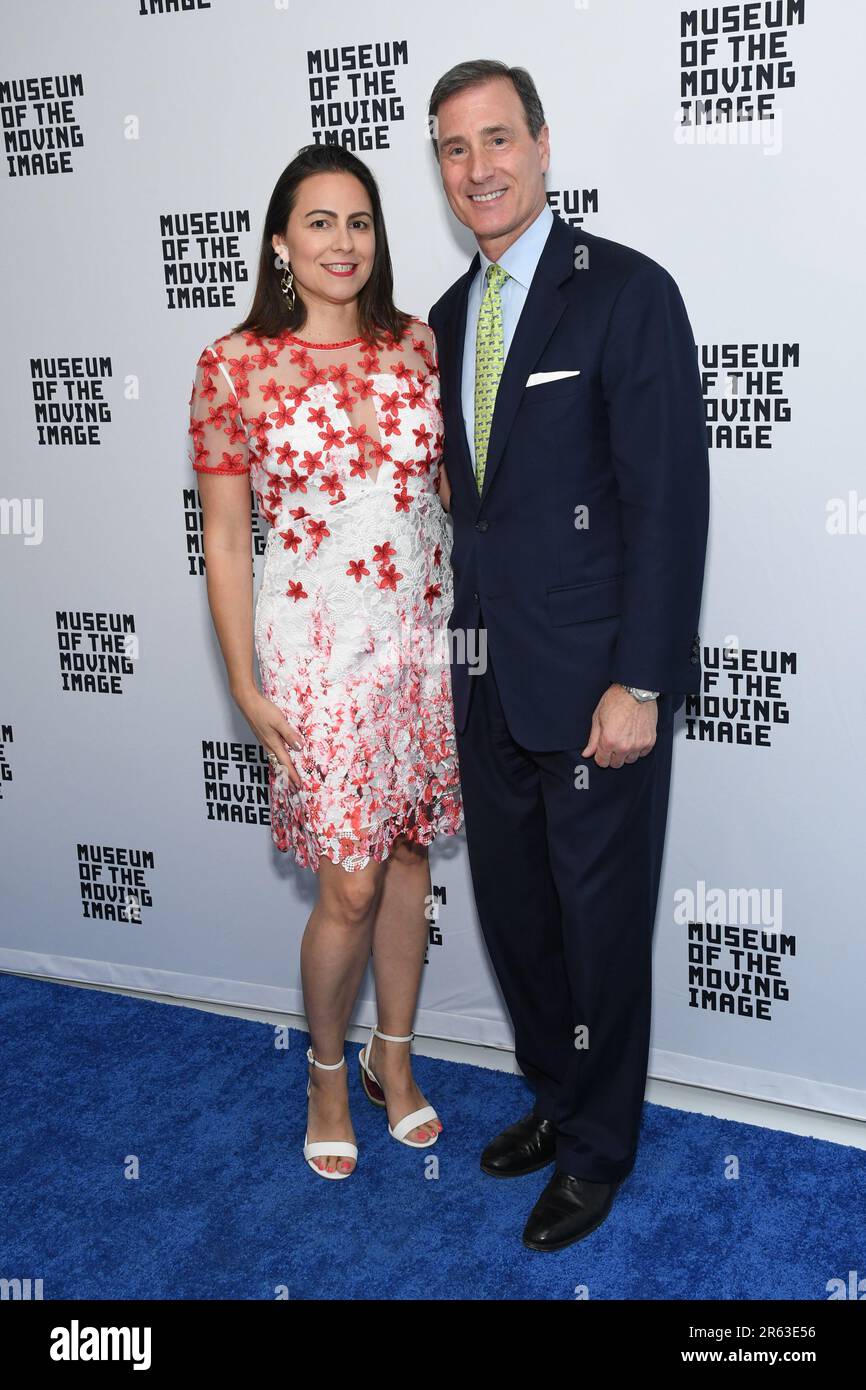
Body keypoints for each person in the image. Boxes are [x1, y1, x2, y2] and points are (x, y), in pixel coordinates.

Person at [427, 61, 710, 1249]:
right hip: (483, 683)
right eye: (453, 148)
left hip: (598, 689)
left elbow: (666, 500)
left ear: (542, 146)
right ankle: (554, 1098)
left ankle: (598, 1149)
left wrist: (639, 681)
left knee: (597, 932)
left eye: (498, 139)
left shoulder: (624, 293)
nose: (478, 167)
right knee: (515, 920)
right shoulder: (444, 322)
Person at [187, 144, 462, 1180]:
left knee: (403, 856)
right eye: (318, 221)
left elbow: (448, 497)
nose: (341, 242)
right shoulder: (231, 366)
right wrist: (244, 685)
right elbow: (222, 538)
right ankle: (327, 1070)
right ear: (279, 242)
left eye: (358, 221)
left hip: (417, 643)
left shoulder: (417, 347)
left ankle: (397, 1054)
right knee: (345, 885)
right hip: (313, 655)